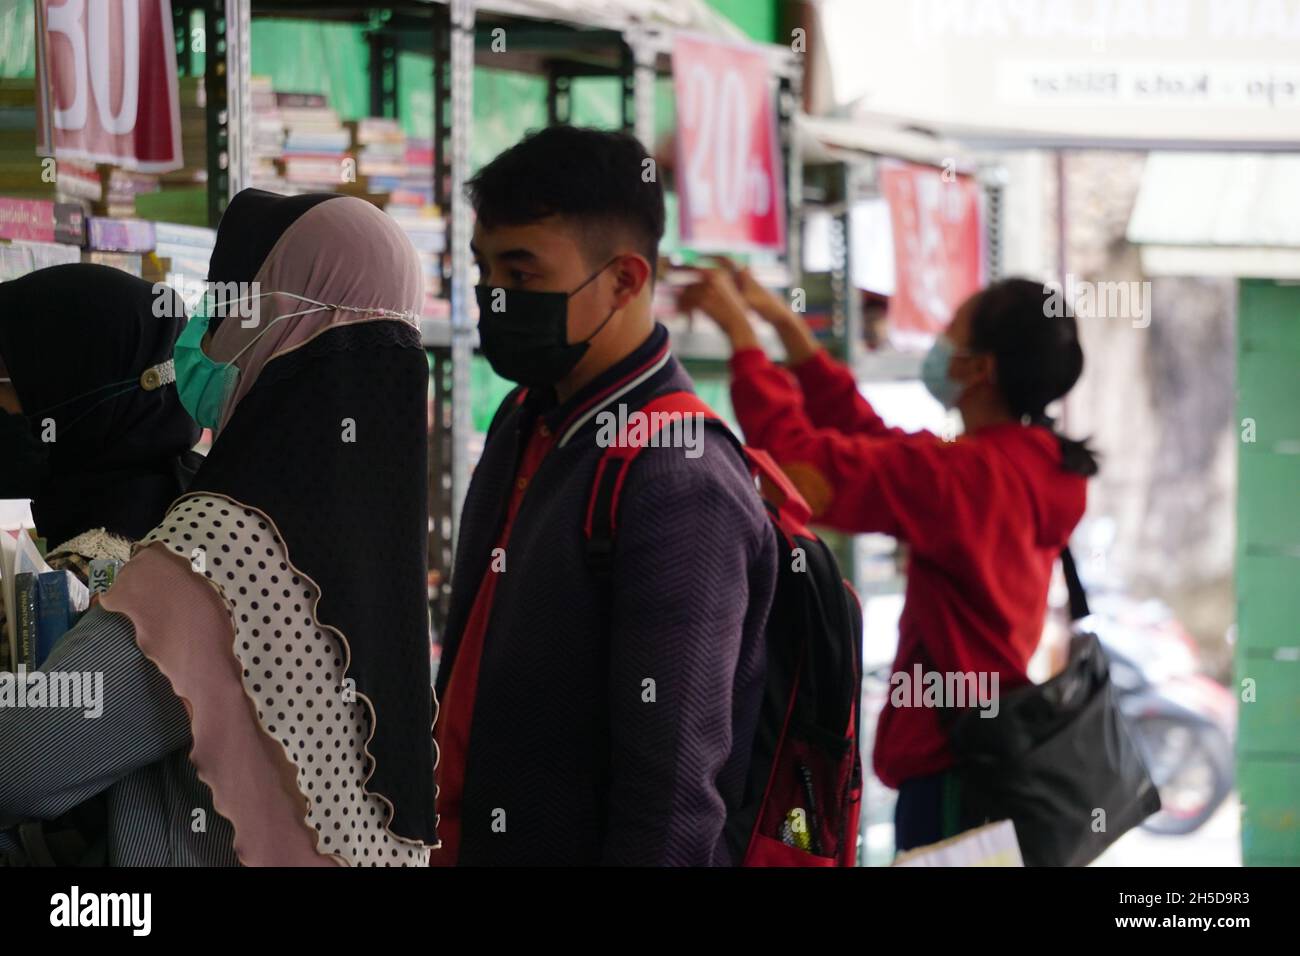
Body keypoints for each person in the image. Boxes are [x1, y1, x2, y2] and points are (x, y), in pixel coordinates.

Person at [0, 190, 438, 865]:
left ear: (277, 325)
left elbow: (21, 765)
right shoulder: (376, 537)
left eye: (225, 304)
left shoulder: (226, 543)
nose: (198, 336)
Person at [432, 126, 778, 866]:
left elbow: (674, 799)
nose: (495, 296)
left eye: (521, 275)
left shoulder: (679, 478)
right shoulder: (526, 417)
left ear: (624, 280)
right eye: (483, 269)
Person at [682, 266, 1095, 853]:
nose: (938, 343)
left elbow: (804, 467)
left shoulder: (966, 476)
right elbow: (869, 436)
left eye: (952, 330)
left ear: (981, 370)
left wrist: (742, 340)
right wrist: (779, 325)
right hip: (990, 752)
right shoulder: (1031, 463)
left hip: (951, 771)